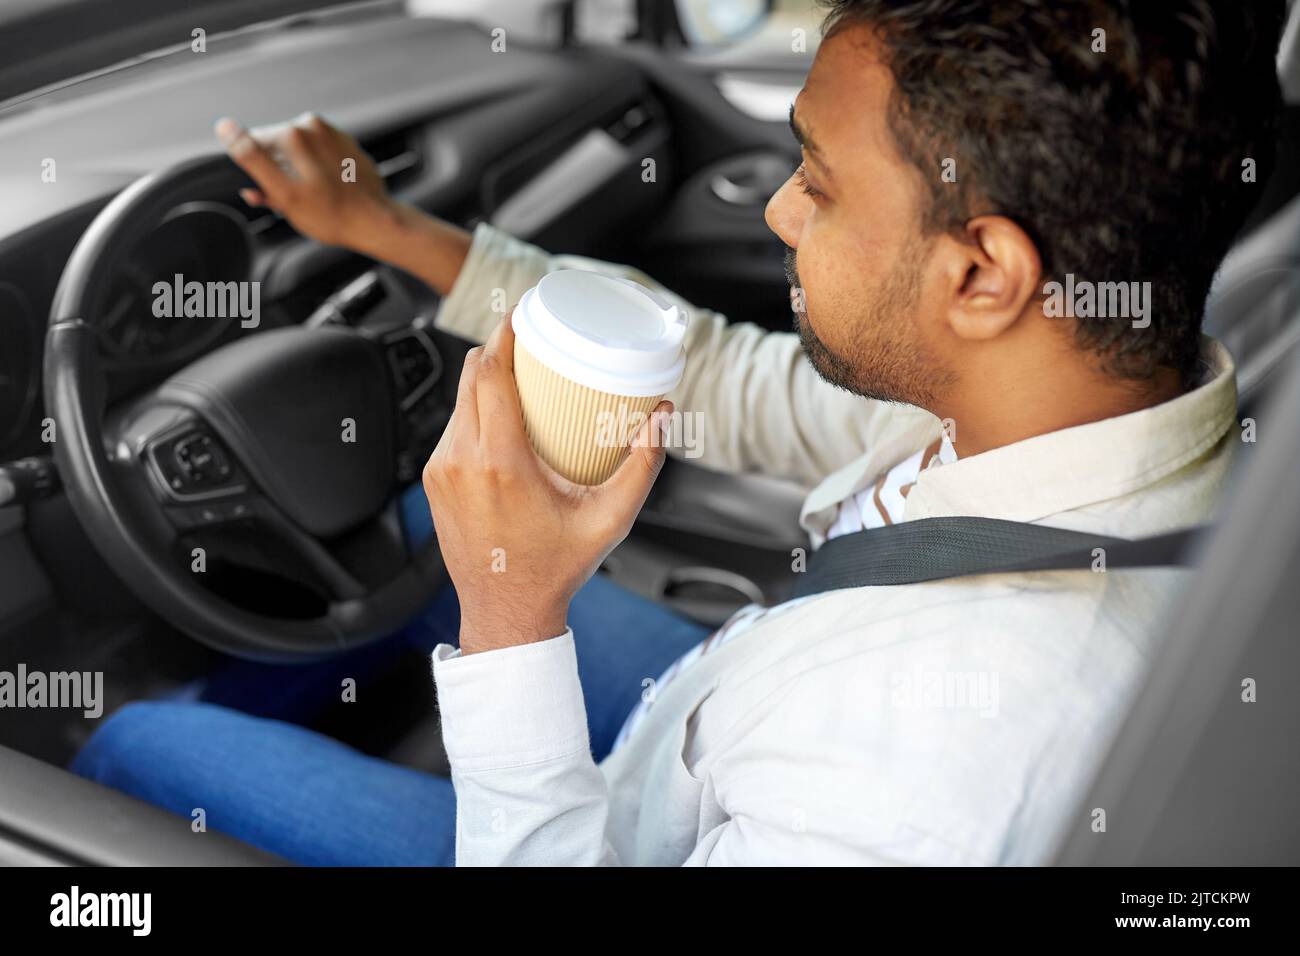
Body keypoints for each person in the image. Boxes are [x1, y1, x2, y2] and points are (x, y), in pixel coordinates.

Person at [73, 0, 1284, 865]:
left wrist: (513, 618)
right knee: (409, 532)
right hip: (700, 723)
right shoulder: (1092, 403)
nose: (775, 206)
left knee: (141, 742)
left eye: (816, 179)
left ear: (981, 274)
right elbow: (724, 377)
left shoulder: (927, 767)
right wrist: (388, 228)